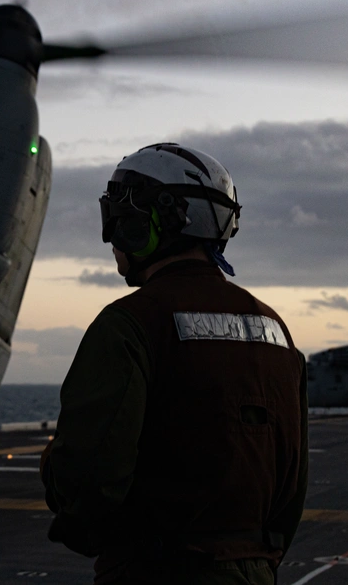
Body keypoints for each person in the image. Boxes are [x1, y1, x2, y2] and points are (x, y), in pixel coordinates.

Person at [40, 143, 307, 584]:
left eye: (119, 219)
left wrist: (61, 485)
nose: (111, 237)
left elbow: (88, 478)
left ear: (150, 223)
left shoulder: (129, 323)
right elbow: (292, 483)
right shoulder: (276, 331)